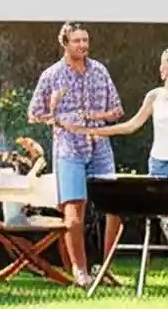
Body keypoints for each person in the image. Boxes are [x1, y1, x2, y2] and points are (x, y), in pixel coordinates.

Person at [60, 47, 168, 290]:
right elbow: (131, 126)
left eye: (164, 63)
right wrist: (94, 131)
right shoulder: (154, 97)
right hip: (159, 164)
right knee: (166, 224)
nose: (160, 68)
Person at [27, 21, 125, 288]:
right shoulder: (51, 75)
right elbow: (34, 115)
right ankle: (80, 272)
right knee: (74, 210)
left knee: (114, 207)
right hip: (69, 148)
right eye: (77, 40)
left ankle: (104, 267)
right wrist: (53, 108)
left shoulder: (100, 71)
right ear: (65, 43)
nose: (83, 45)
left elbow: (117, 111)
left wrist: (96, 116)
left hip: (100, 145)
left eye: (85, 40)